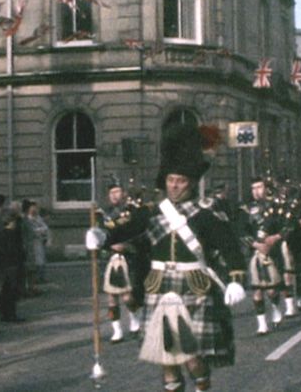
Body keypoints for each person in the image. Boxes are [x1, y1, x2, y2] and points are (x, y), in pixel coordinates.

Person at [86, 123, 247, 392]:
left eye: (181, 181)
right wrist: (102, 236)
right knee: (166, 358)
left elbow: (230, 247)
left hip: (194, 287)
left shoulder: (206, 214)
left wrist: (236, 279)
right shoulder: (152, 212)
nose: (175, 186)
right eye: (171, 180)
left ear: (193, 182)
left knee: (192, 357)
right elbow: (125, 227)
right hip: (159, 287)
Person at [239, 177, 287, 335]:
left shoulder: (276, 206)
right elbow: (241, 230)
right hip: (253, 252)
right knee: (257, 290)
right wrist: (255, 244)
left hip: (273, 251)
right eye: (253, 188)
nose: (256, 191)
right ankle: (261, 325)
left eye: (259, 187)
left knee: (272, 290)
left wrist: (275, 238)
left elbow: (286, 227)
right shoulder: (246, 209)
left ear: (266, 188)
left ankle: (275, 307)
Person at [98, 183, 144, 343]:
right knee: (112, 298)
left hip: (129, 257)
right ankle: (116, 331)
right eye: (111, 192)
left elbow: (141, 233)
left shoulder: (133, 212)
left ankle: (135, 320)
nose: (114, 195)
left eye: (117, 191)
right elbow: (101, 235)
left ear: (124, 194)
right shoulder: (104, 214)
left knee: (128, 298)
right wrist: (95, 239)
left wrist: (128, 245)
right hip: (110, 258)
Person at [21, 199, 48, 297]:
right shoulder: (26, 219)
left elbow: (45, 228)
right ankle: (29, 287)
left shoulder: (38, 218)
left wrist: (40, 231)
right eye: (32, 208)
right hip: (30, 244)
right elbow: (31, 231)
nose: (34, 210)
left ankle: (34, 285)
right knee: (31, 266)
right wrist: (39, 231)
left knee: (38, 263)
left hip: (37, 243)